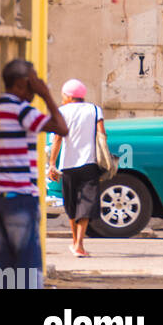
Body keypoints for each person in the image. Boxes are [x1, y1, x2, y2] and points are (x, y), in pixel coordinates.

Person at [0, 59, 68, 289]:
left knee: (4, 266)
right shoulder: (22, 111)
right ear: (22, 83)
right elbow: (62, 128)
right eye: (34, 80)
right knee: (26, 265)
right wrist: (46, 95)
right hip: (20, 197)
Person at [48, 78, 106, 260]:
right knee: (86, 205)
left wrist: (51, 163)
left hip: (68, 164)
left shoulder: (61, 112)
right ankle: (78, 243)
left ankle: (77, 243)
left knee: (71, 205)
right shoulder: (95, 110)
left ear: (68, 95)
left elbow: (57, 139)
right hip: (90, 163)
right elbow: (102, 134)